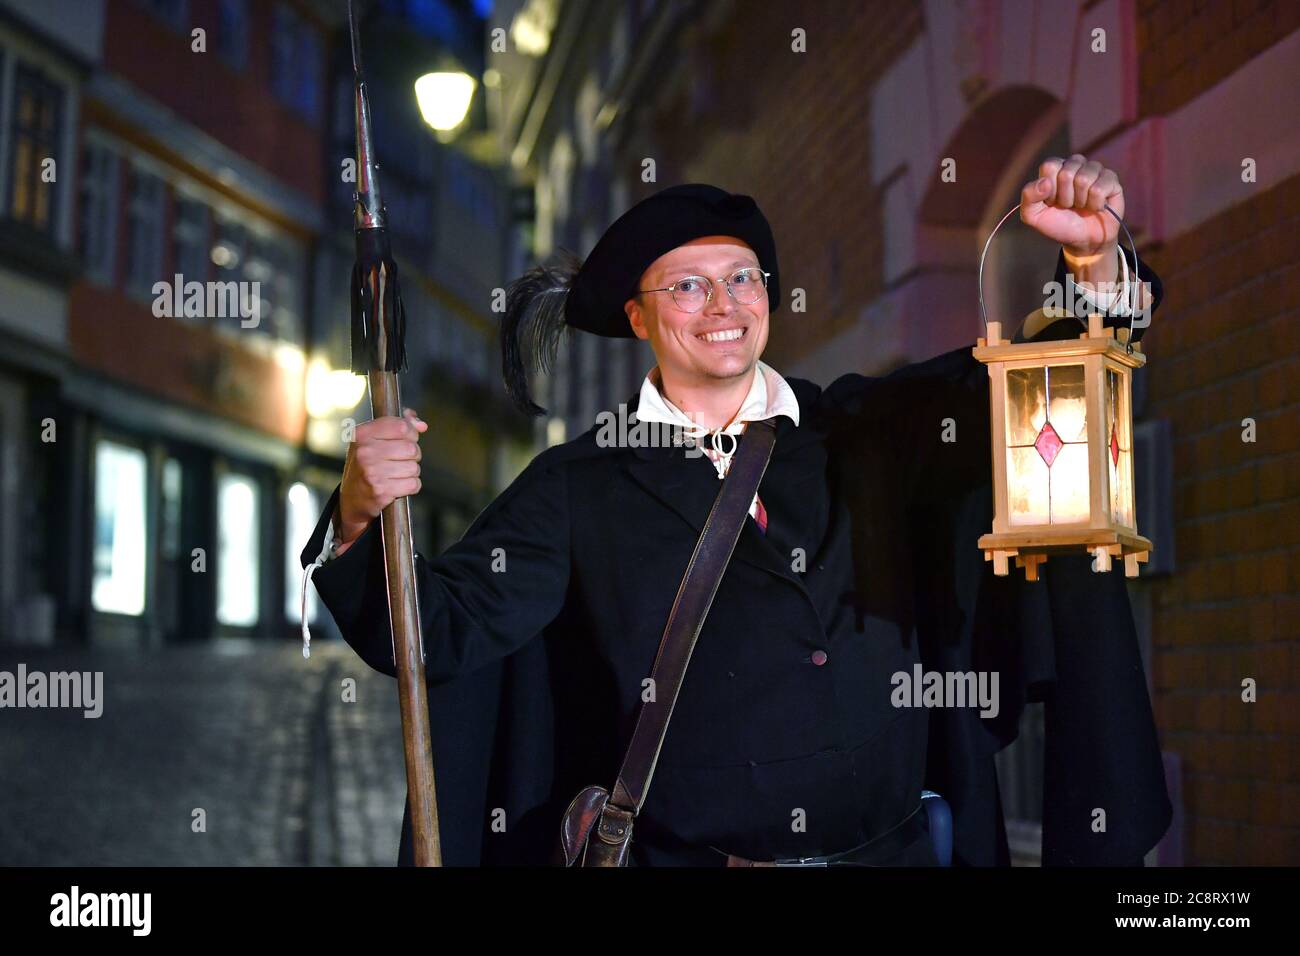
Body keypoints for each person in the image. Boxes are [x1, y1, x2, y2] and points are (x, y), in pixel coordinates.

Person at [302, 155, 1170, 866]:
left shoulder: (868, 430)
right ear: (639, 316)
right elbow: (430, 634)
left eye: (742, 278)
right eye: (686, 287)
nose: (723, 306)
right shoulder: (578, 487)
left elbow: (1035, 385)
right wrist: (357, 514)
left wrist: (1091, 270)